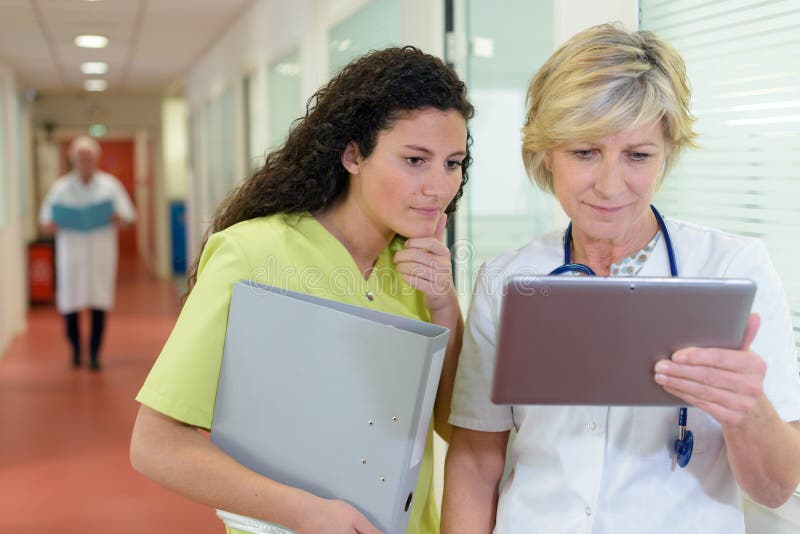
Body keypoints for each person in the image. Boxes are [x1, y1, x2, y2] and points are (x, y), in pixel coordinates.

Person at [442, 24, 800, 534]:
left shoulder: (734, 269)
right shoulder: (507, 280)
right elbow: (477, 461)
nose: (610, 186)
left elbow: (775, 489)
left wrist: (748, 412)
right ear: (546, 152)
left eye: (637, 155)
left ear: (668, 153)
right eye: (585, 152)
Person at [130, 46, 472, 534]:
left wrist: (443, 304)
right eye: (415, 160)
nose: (439, 187)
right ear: (353, 154)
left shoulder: (421, 267)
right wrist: (306, 513)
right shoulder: (252, 253)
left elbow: (454, 428)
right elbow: (156, 446)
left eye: (453, 163)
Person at [39, 135, 136, 370]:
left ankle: (94, 353)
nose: (85, 162)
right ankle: (75, 349)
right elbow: (44, 221)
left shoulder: (110, 186)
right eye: (80, 158)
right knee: (70, 306)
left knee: (98, 305)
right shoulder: (60, 188)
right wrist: (53, 224)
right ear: (72, 160)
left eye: (89, 157)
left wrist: (118, 218)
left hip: (100, 254)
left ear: (96, 159)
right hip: (71, 254)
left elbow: (130, 217)